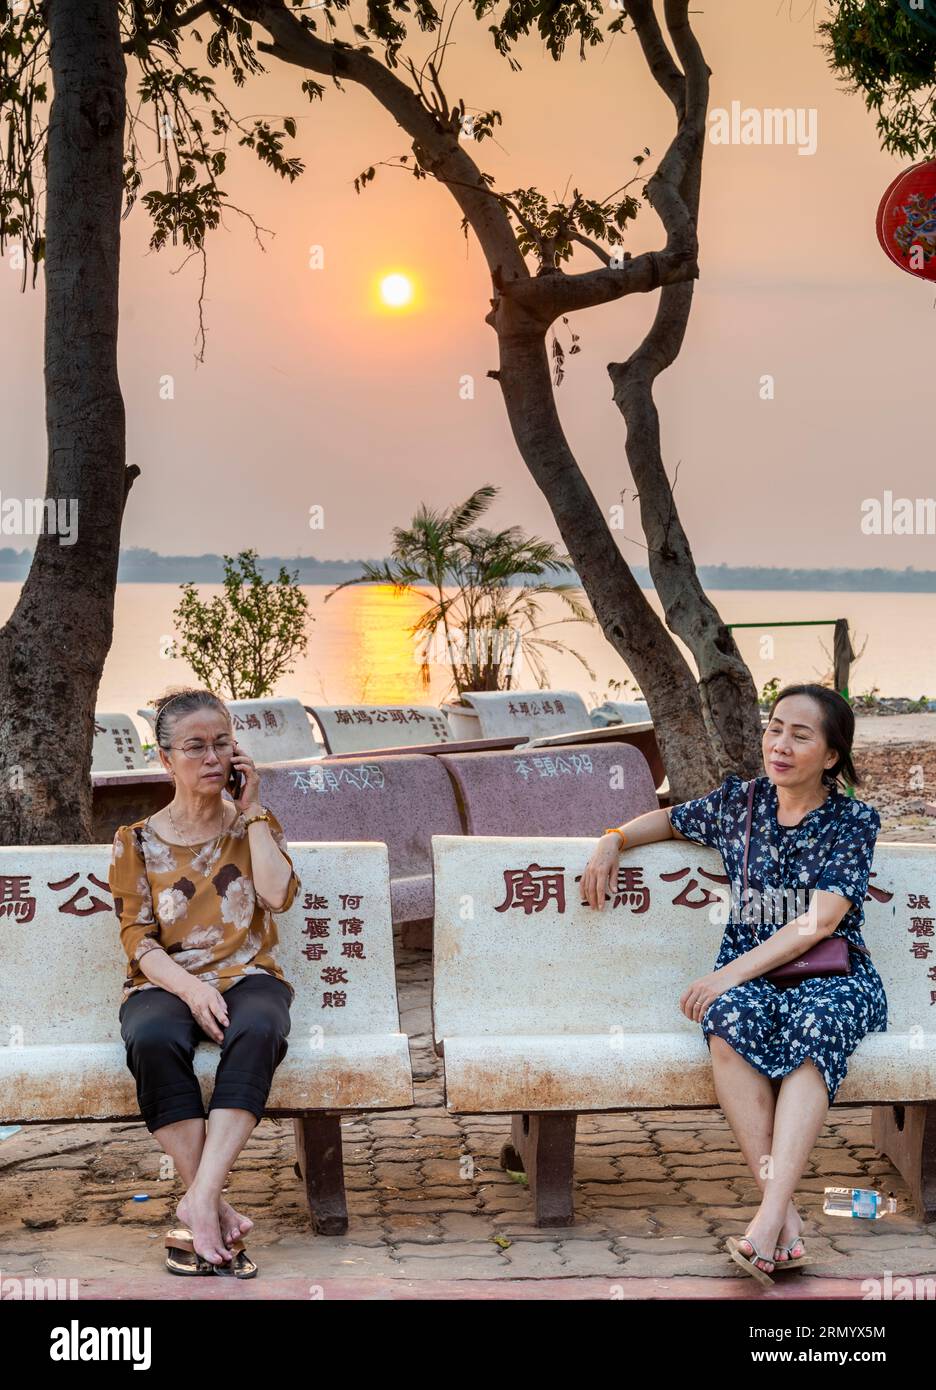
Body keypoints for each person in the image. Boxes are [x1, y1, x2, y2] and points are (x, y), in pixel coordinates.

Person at [580, 682, 887, 1285]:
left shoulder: (853, 820)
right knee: (728, 1024)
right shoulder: (738, 805)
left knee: (813, 1030)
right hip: (752, 975)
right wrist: (611, 840)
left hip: (829, 972)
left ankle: (769, 1217)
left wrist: (726, 973)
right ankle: (785, 1225)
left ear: (830, 756)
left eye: (801, 735)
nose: (780, 744)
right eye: (775, 728)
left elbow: (820, 919)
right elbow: (666, 821)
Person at [108, 686, 301, 1275]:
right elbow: (137, 940)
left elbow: (276, 895)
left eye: (222, 744)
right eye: (195, 747)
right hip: (167, 982)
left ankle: (196, 1205)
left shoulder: (254, 824)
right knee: (151, 1039)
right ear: (165, 759)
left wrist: (255, 814)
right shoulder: (134, 840)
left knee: (261, 1025)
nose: (212, 758)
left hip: (248, 977)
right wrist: (191, 990)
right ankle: (213, 1208)